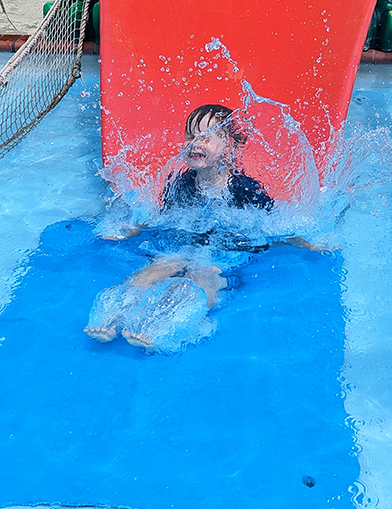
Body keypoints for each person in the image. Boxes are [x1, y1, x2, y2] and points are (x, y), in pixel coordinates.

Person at [85, 104, 274, 353]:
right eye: (190, 136)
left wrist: (303, 240)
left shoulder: (246, 190)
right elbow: (167, 219)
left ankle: (176, 325)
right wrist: (134, 228)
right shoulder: (181, 183)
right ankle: (115, 318)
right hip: (182, 246)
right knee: (153, 271)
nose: (194, 143)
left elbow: (273, 225)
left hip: (224, 254)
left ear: (229, 147)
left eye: (205, 138)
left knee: (201, 276)